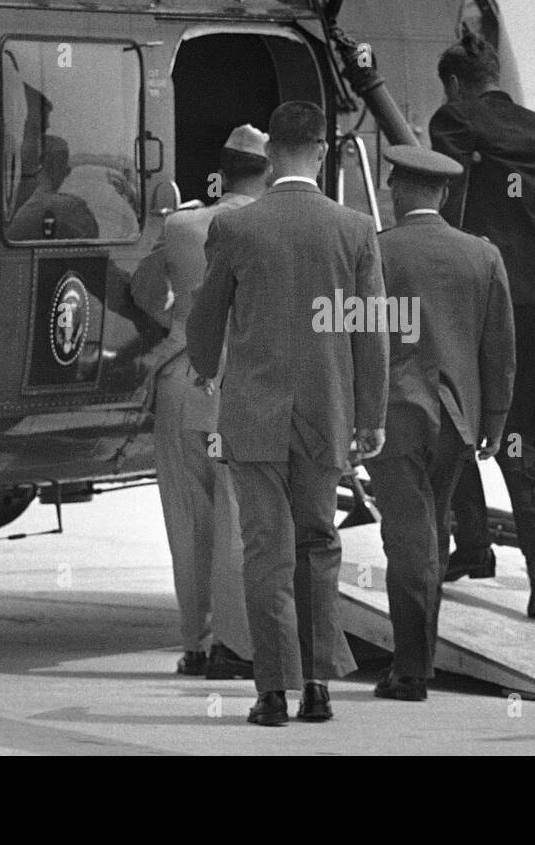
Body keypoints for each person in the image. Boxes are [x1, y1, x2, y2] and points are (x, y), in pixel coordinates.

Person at [187, 101, 389, 727]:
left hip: (253, 417)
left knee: (265, 551)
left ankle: (272, 692)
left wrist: (206, 364)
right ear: (323, 153)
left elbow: (204, 323)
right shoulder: (355, 230)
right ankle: (320, 688)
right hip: (326, 415)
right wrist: (371, 416)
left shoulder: (236, 229)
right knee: (319, 544)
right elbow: (372, 333)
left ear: (271, 154)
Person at [430, 31, 535, 618]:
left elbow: (446, 202)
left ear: (455, 83)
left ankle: (469, 540)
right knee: (519, 416)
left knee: (454, 407)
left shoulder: (455, 121)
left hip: (474, 290)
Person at [365, 145, 516, 701]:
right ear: (445, 194)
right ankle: (417, 658)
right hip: (459, 420)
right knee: (433, 530)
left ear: (397, 190)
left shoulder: (377, 252)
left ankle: (410, 670)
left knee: (407, 537)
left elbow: (361, 339)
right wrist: (495, 420)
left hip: (395, 413)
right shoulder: (482, 255)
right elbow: (499, 348)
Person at [132, 125, 269, 679]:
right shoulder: (269, 226)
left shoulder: (183, 222)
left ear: (224, 169)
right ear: (267, 171)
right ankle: (234, 649)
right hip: (245, 385)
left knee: (189, 520)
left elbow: (143, 287)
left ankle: (196, 641)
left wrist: (178, 326)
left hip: (183, 378)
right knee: (239, 519)